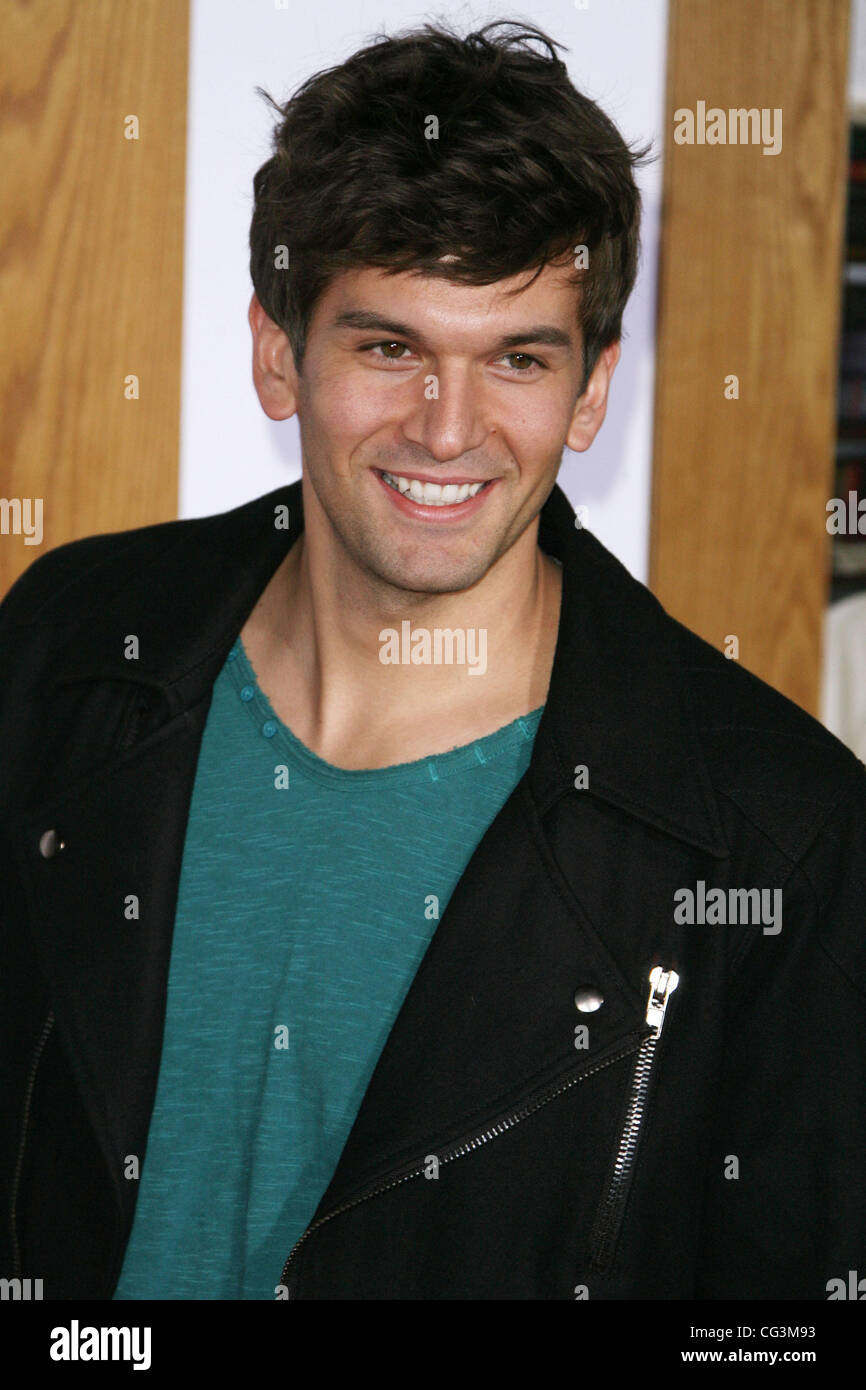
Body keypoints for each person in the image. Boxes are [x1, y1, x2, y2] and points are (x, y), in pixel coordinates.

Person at [1, 18, 864, 1302]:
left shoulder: (771, 829)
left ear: (589, 391)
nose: (446, 430)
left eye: (516, 358)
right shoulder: (68, 646)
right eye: (389, 346)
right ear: (276, 350)